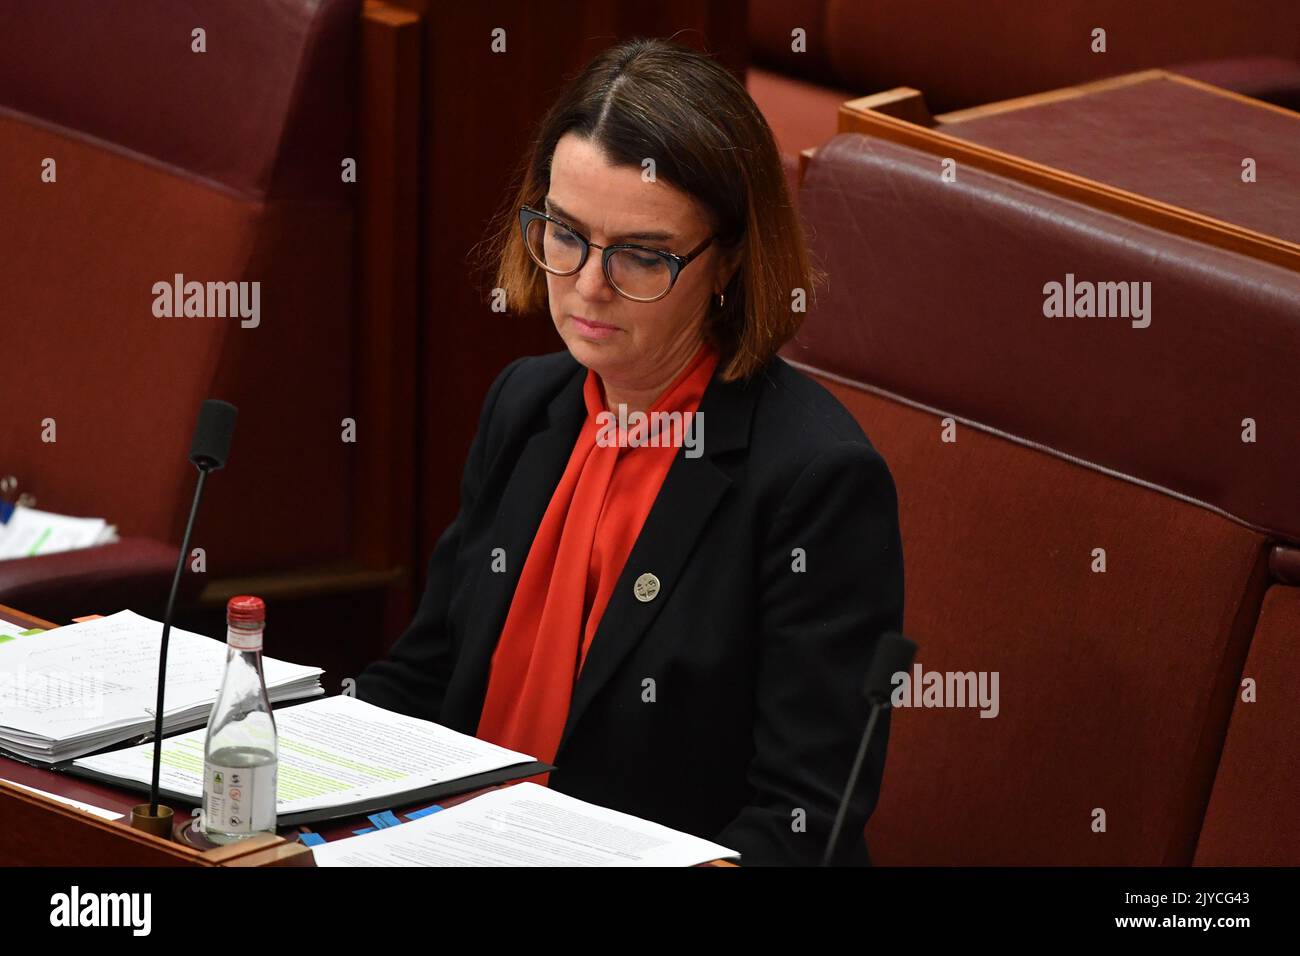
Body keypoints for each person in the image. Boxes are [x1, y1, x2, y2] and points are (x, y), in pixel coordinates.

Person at [357, 36, 904, 866]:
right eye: (565, 235)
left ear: (726, 262)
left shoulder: (815, 481)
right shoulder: (527, 404)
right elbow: (429, 680)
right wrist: (283, 749)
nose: (587, 285)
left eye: (642, 255)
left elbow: (803, 823)